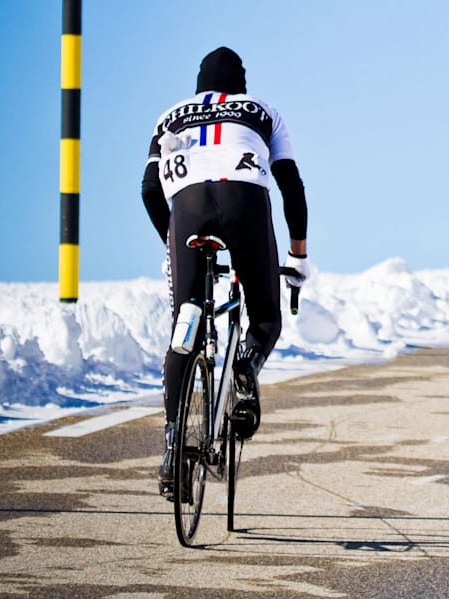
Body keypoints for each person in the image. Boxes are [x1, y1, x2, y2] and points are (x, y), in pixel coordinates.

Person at [141, 47, 310, 500]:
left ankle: (172, 448)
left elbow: (149, 190)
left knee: (184, 328)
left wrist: (172, 244)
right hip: (244, 202)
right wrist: (297, 256)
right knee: (265, 318)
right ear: (241, 85)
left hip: (187, 209)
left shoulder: (169, 115)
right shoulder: (263, 111)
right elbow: (291, 185)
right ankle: (246, 364)